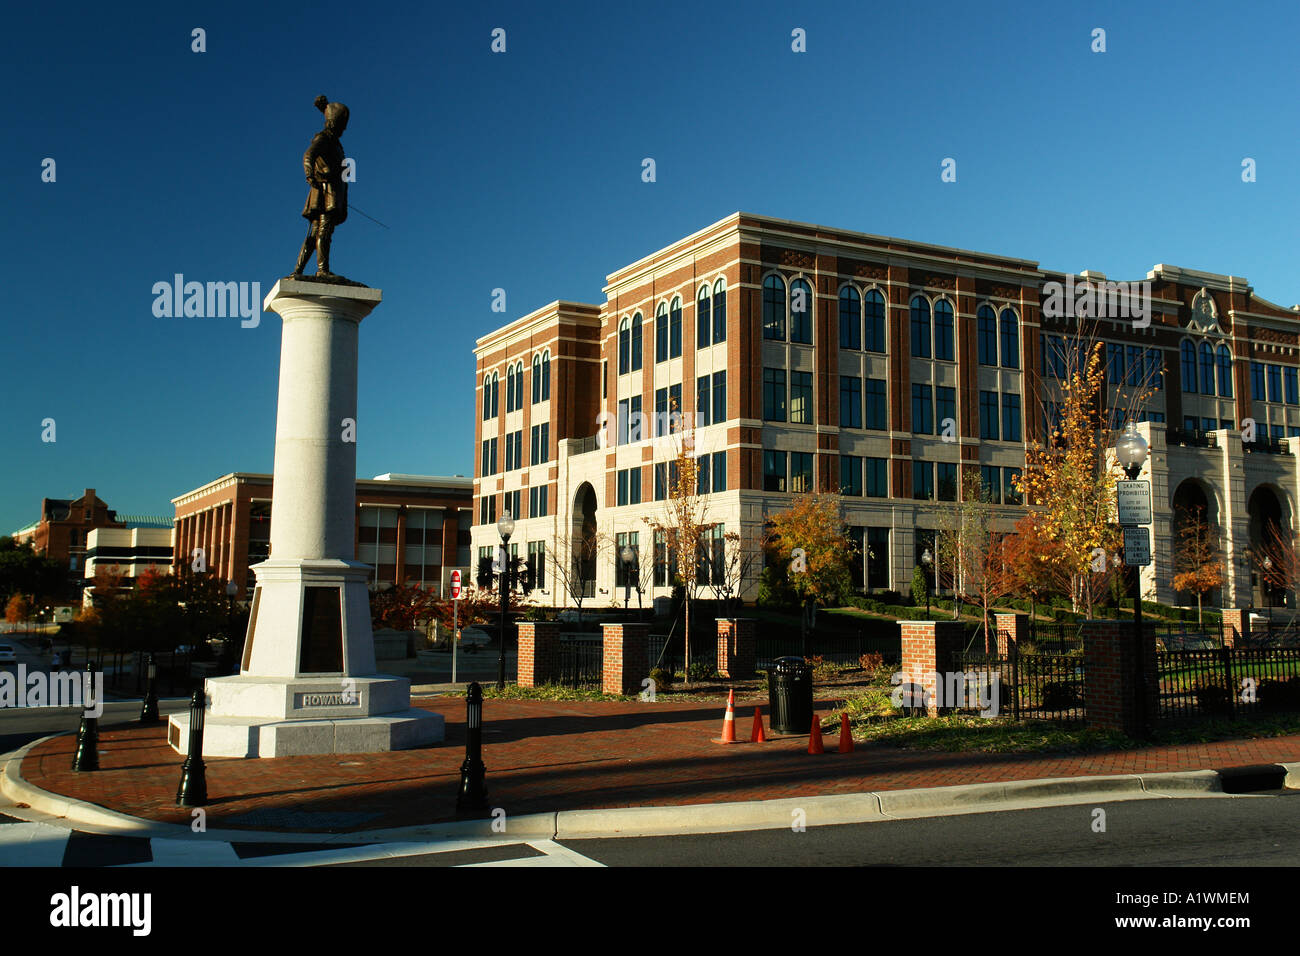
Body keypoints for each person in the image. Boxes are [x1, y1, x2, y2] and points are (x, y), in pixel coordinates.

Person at [291, 95, 350, 279]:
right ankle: (322, 270)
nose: (344, 128)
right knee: (322, 231)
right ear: (334, 123)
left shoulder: (336, 143)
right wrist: (309, 174)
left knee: (316, 232)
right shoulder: (324, 138)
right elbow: (309, 155)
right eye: (342, 124)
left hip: (332, 191)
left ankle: (299, 270)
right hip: (325, 191)